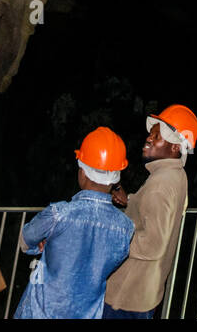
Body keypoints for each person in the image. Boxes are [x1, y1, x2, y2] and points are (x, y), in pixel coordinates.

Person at [14, 127, 135, 319]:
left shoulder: (58, 214)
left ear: (83, 173)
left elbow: (25, 238)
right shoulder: (126, 228)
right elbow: (113, 261)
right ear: (115, 178)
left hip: (42, 311)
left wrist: (42, 246)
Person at [103, 104, 197, 319]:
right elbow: (158, 216)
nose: (148, 139)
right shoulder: (176, 175)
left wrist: (112, 237)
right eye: (150, 134)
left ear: (175, 147)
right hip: (147, 290)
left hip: (127, 295)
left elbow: (153, 244)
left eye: (157, 136)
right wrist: (130, 202)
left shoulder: (160, 184)